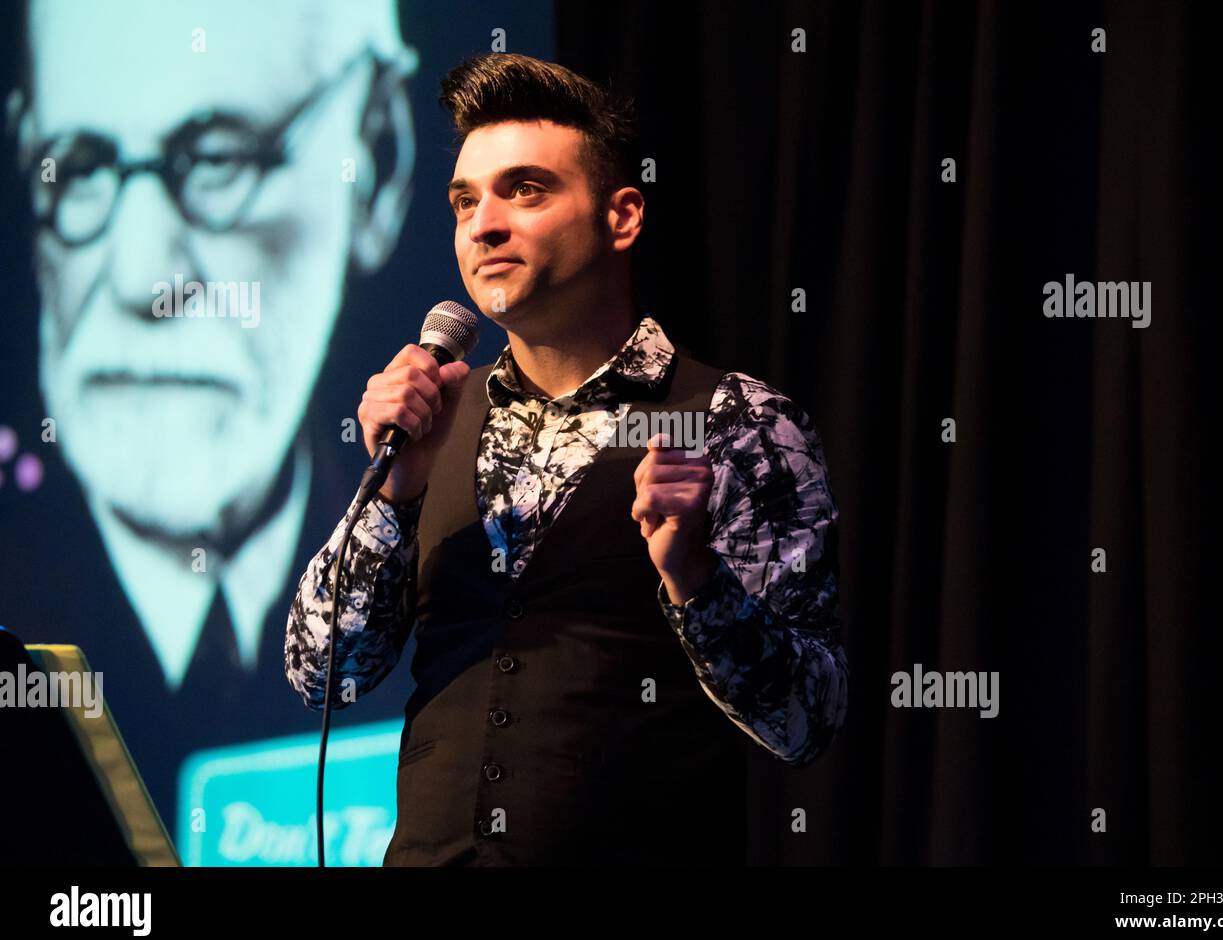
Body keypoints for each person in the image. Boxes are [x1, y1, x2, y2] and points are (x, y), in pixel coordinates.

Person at [285, 52, 849, 866]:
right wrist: (394, 496)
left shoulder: (738, 422)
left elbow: (809, 719)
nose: (484, 224)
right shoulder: (435, 420)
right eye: (465, 200)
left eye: (525, 190)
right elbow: (321, 672)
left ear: (621, 217)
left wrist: (696, 578)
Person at [3, 0, 418, 839]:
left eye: (218, 158)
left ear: (374, 159)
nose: (140, 276)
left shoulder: (459, 556)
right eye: (77, 167)